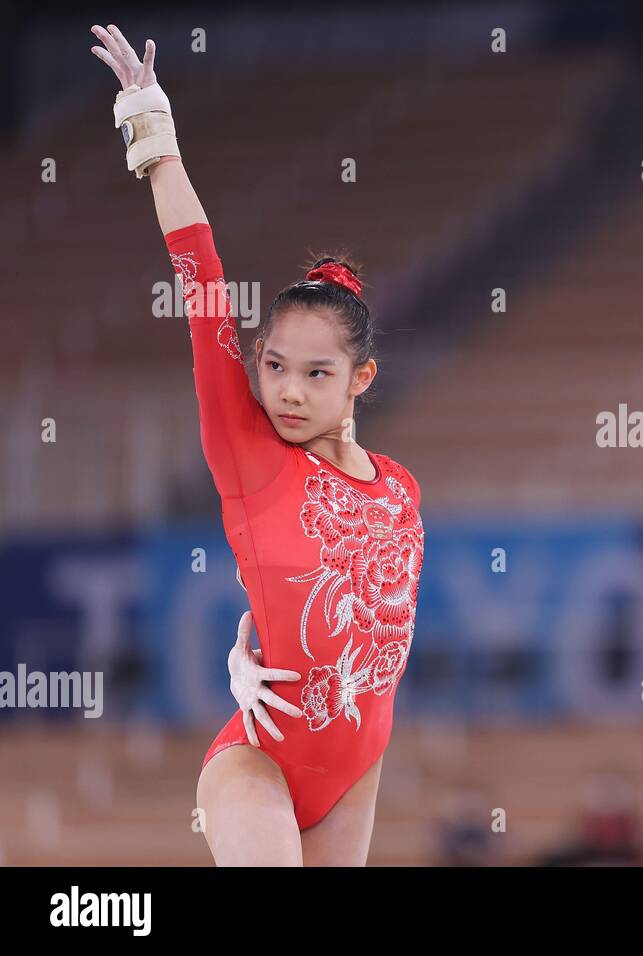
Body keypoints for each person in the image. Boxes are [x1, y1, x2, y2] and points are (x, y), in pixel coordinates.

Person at [91, 24, 425, 865]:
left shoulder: (401, 490)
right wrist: (152, 130)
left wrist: (253, 631)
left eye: (316, 374)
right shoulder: (247, 447)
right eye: (274, 364)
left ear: (362, 379)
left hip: (356, 772)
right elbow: (202, 283)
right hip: (258, 761)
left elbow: (355, 614)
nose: (285, 389)